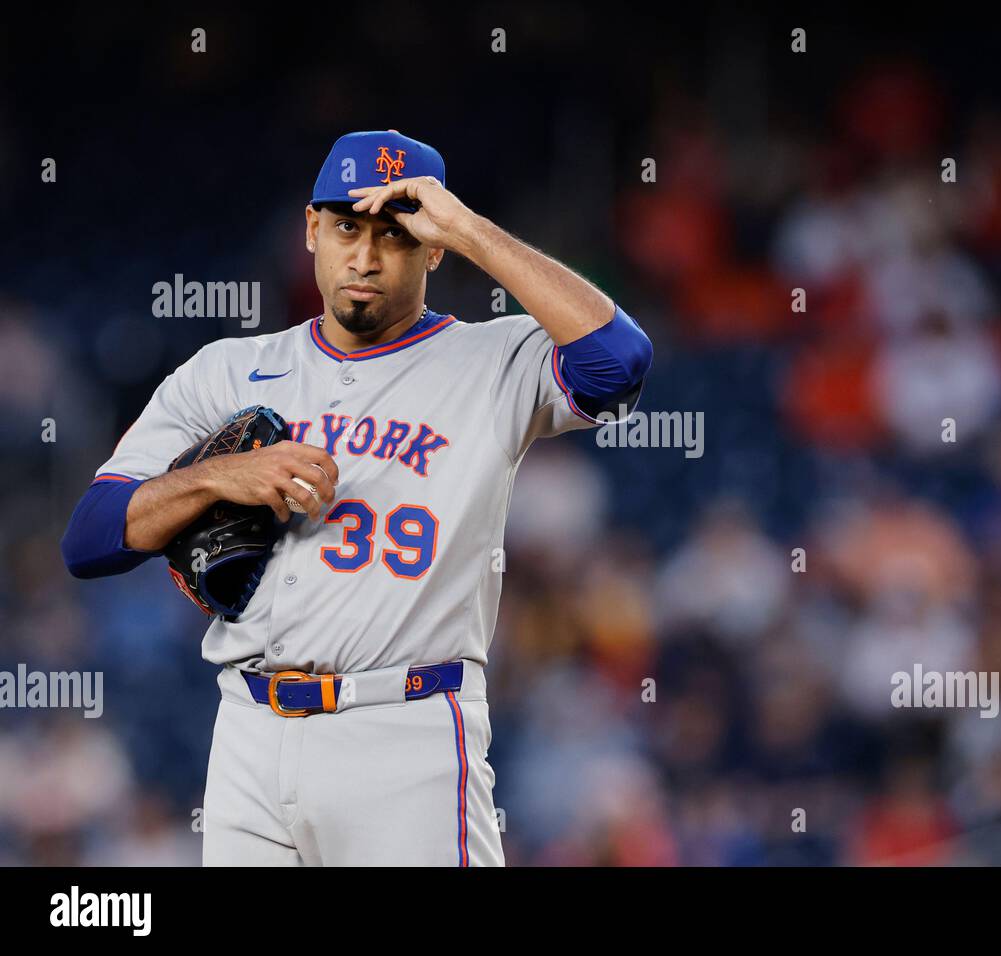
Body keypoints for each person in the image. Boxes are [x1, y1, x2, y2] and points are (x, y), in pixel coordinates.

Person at [60, 129, 652, 866]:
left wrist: (468, 228)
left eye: (397, 234)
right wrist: (214, 478)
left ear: (433, 249)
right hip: (248, 731)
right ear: (311, 228)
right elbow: (88, 542)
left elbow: (619, 365)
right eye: (346, 227)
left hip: (406, 735)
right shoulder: (227, 370)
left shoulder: (491, 360)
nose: (365, 258)